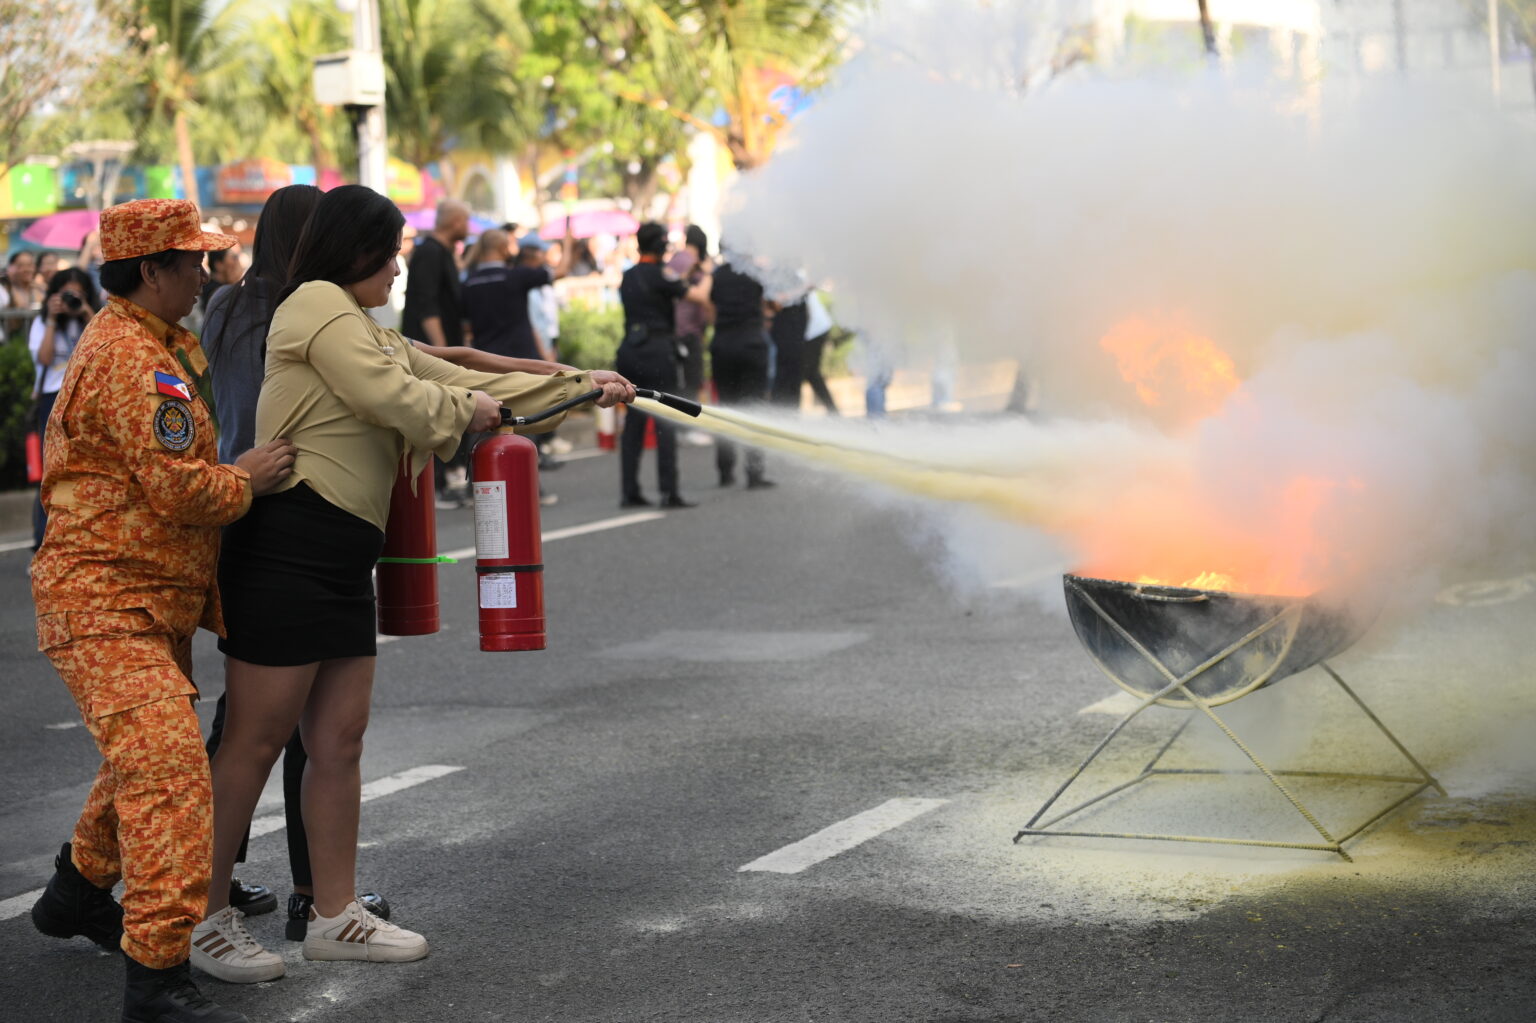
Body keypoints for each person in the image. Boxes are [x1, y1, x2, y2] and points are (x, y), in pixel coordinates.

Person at [196, 184, 634, 982]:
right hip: (286, 547)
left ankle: (333, 915)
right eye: (391, 251)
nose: (400, 267)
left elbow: (448, 371)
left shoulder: (360, 324)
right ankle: (204, 919)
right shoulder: (316, 308)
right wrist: (467, 408)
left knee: (338, 740)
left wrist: (581, 385)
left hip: (336, 553)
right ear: (354, 251)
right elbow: (398, 397)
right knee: (253, 742)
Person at [28, 198, 295, 1023]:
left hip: (144, 598)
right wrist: (248, 475)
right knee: (175, 780)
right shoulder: (134, 358)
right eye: (194, 263)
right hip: (107, 597)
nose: (206, 275)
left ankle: (75, 892)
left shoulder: (151, 340)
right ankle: (156, 976)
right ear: (152, 270)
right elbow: (182, 488)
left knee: (139, 763)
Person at [615, 222, 711, 508]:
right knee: (666, 422)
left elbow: (666, 282)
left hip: (630, 352)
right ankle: (669, 492)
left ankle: (629, 492)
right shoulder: (660, 275)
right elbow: (699, 297)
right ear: (660, 246)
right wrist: (705, 274)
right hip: (658, 353)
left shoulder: (628, 276)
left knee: (633, 422)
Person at [28, 268, 98, 550]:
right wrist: (51, 320)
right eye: (65, 293)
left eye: (76, 293)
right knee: (51, 474)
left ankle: (76, 542)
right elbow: (44, 358)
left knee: (85, 470)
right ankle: (42, 543)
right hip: (52, 398)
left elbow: (106, 345)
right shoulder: (43, 321)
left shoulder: (91, 319)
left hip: (85, 400)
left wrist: (85, 311)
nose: (71, 298)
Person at [708, 255, 775, 489]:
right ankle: (754, 473)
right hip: (752, 344)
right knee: (754, 408)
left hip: (723, 345)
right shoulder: (755, 272)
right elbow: (772, 302)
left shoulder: (718, 274)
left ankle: (725, 471)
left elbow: (712, 302)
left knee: (725, 408)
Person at [669, 225, 712, 401]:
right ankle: (688, 427)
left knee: (679, 387)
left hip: (675, 332)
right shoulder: (697, 266)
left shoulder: (674, 260)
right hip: (690, 334)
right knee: (691, 388)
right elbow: (703, 297)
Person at [802, 289, 840, 415]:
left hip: (815, 330)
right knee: (811, 371)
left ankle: (832, 410)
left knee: (810, 370)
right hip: (814, 329)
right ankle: (832, 409)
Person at [199, 245, 242, 318]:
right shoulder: (217, 293)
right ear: (219, 265)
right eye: (234, 258)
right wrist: (236, 282)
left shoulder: (208, 286)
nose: (237, 262)